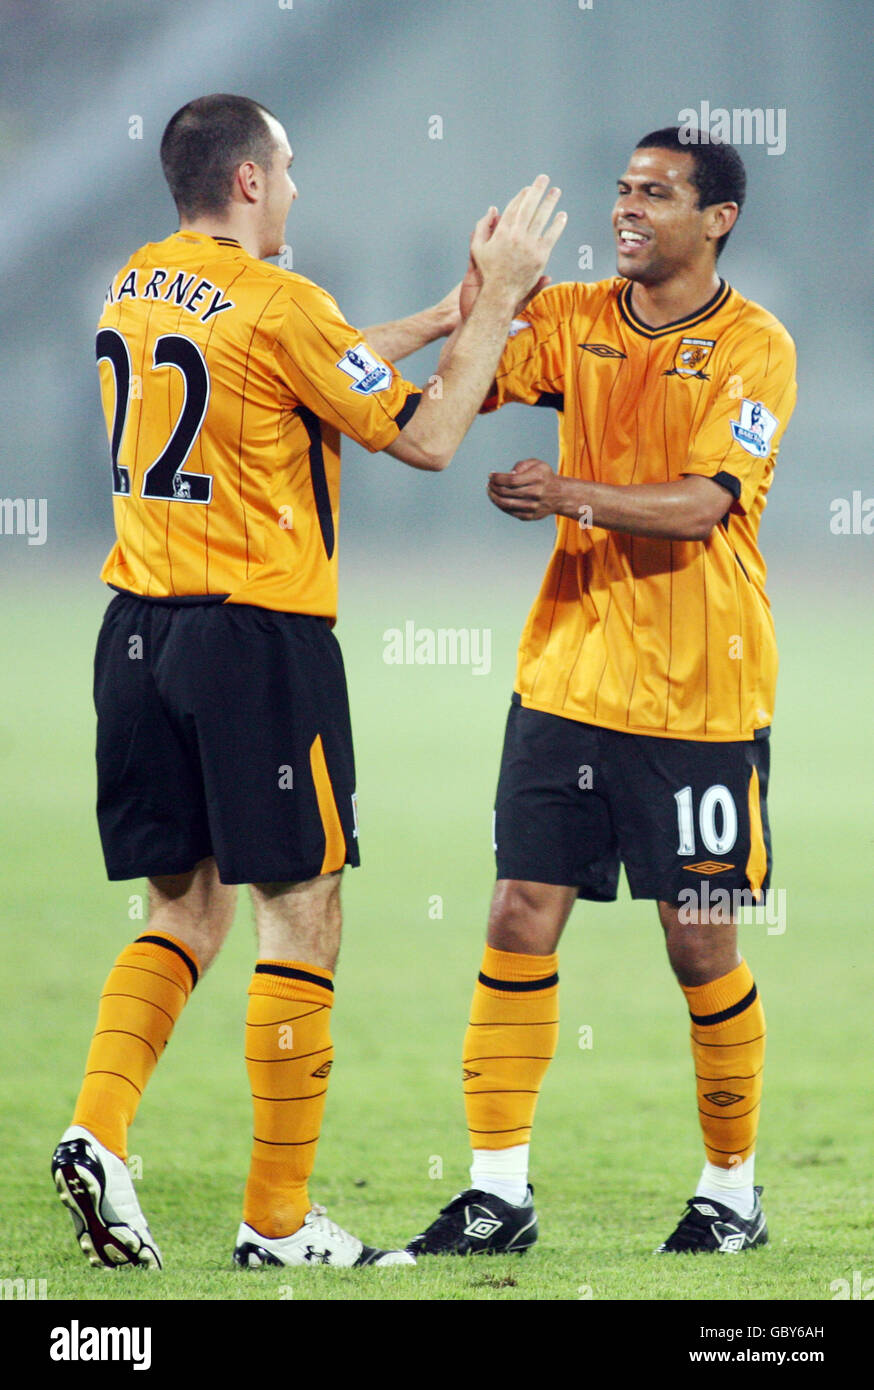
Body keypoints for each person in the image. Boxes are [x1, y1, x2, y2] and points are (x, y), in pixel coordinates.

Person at [50, 92, 565, 1271]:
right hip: (254, 641)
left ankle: (100, 1130)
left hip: (136, 634)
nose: (294, 189)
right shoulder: (282, 300)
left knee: (183, 906)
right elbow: (428, 439)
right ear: (246, 182)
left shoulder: (136, 281)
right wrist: (494, 308)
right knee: (304, 909)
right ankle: (276, 1221)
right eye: (285, 169)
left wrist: (441, 312)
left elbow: (295, 370)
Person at [407, 127, 796, 1258]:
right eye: (621, 189)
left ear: (715, 218)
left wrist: (565, 491)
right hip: (568, 675)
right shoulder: (575, 317)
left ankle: (731, 1195)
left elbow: (704, 504)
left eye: (655, 194)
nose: (626, 208)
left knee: (698, 944)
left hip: (700, 695)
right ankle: (495, 1194)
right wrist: (485, 298)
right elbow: (458, 392)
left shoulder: (754, 348)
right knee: (518, 912)